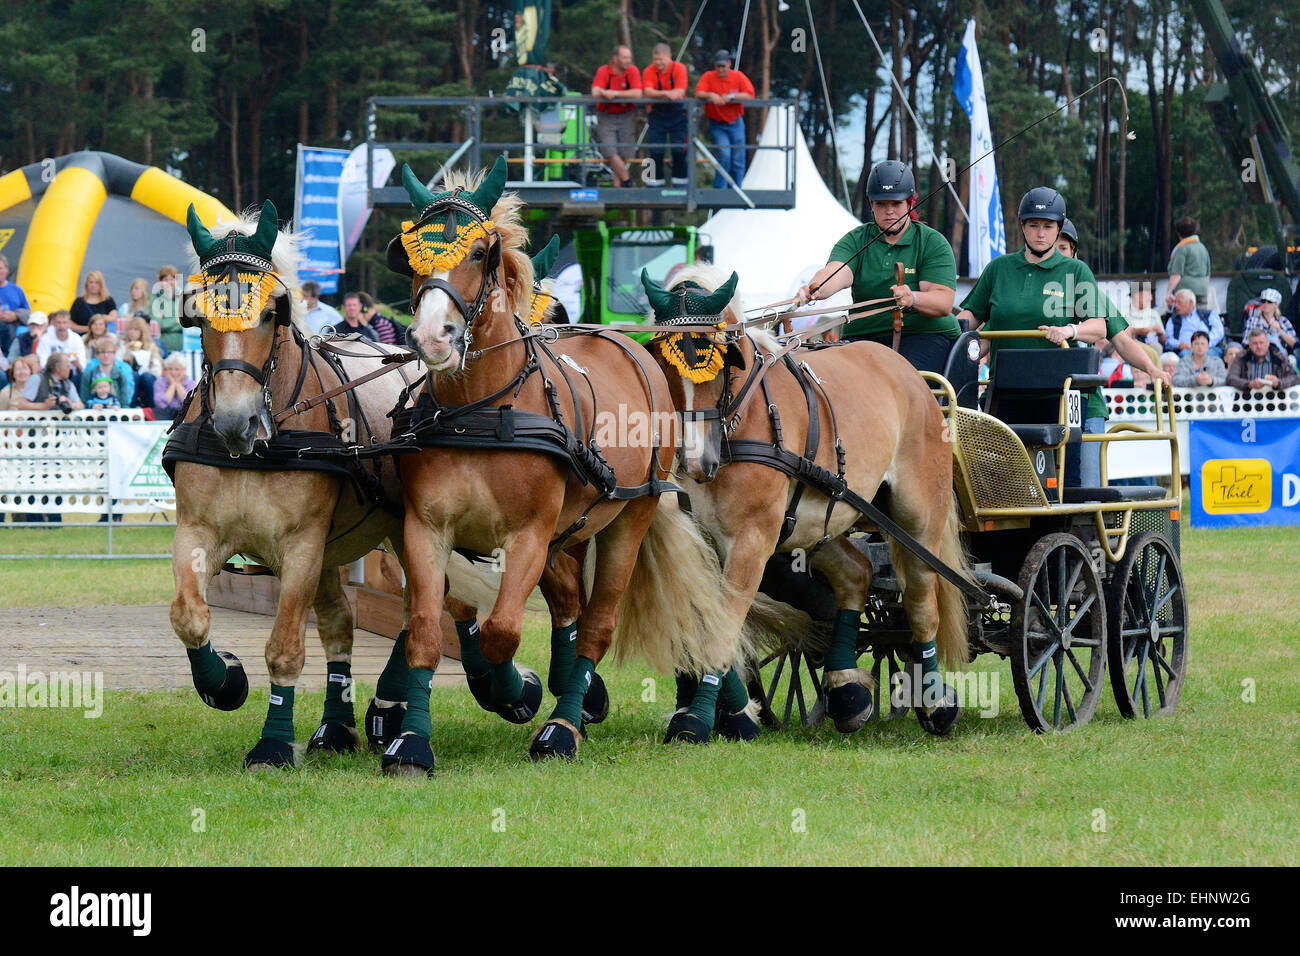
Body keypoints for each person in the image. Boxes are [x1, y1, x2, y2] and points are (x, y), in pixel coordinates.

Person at [957, 187, 1143, 488]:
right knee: (1004, 482)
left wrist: (1070, 330)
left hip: (1058, 394)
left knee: (1065, 483)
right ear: (1022, 227)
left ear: (1058, 229)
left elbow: (1099, 326)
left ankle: (1066, 531)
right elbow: (968, 321)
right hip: (1004, 392)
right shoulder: (999, 269)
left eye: (1047, 226)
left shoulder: (1075, 270)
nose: (1040, 233)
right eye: (1033, 225)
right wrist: (943, 330)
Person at [795, 160, 956, 372]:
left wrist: (913, 298)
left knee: (896, 378)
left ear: (909, 203)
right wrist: (816, 288)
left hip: (922, 335)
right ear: (871, 204)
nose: (889, 211)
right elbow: (836, 272)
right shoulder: (855, 240)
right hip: (863, 337)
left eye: (895, 204)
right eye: (881, 204)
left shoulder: (931, 242)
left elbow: (943, 301)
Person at [695, 49, 755, 189]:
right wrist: (711, 95)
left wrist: (731, 97)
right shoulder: (708, 76)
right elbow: (698, 93)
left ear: (729, 64)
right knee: (724, 153)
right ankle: (720, 188)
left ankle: (736, 188)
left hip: (735, 123)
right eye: (718, 66)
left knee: (738, 157)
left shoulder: (738, 76)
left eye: (723, 66)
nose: (721, 69)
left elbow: (749, 94)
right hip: (717, 124)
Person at [591, 44, 642, 188]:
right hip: (606, 116)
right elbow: (595, 91)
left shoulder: (632, 71)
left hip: (626, 115)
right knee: (609, 150)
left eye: (629, 58)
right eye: (624, 57)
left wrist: (615, 94)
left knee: (625, 152)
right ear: (615, 58)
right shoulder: (604, 71)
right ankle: (627, 181)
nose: (628, 61)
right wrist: (605, 93)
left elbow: (637, 93)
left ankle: (617, 186)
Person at [642, 42, 689, 187]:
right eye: (655, 59)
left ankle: (680, 184)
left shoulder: (680, 68)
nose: (658, 63)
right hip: (657, 116)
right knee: (655, 150)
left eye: (661, 59)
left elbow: (680, 92)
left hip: (678, 116)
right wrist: (666, 93)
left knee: (679, 150)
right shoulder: (649, 71)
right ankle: (654, 185)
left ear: (669, 57)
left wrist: (659, 94)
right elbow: (648, 92)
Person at [1226, 327, 1299, 392]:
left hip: (1275, 403)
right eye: (1255, 343)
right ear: (1249, 345)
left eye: (1261, 343)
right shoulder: (1241, 357)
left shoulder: (1279, 357)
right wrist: (1249, 384)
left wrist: (1278, 383)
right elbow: (1231, 378)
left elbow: (1294, 378)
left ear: (1268, 343)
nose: (1259, 346)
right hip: (1247, 403)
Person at [1166, 216, 1212, 309]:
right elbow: (1207, 275)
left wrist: (1169, 292)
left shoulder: (1182, 249)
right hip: (1202, 290)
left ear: (1179, 233)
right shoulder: (1203, 248)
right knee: (1200, 318)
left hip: (1185, 292)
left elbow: (1176, 274)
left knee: (1182, 319)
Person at [1163, 288, 1224, 358]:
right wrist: (1179, 344)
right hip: (1186, 351)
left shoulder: (1209, 314)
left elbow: (1218, 333)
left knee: (1212, 356)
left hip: (1209, 349)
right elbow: (1168, 340)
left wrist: (1203, 344)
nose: (1176, 305)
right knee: (1185, 356)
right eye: (1175, 302)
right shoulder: (1173, 320)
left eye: (1179, 302)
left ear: (1191, 303)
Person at [79, 335, 135, 407]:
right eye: (102, 352)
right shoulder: (88, 375)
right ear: (97, 355)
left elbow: (125, 402)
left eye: (109, 352)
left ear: (114, 354)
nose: (106, 355)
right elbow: (84, 400)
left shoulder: (121, 376)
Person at [120, 316, 162, 409]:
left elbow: (157, 369)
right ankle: (132, 406)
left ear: (142, 331)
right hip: (128, 377)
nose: (132, 332)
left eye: (136, 329)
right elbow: (117, 364)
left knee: (147, 377)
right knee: (134, 375)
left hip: (147, 377)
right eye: (130, 329)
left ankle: (153, 408)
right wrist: (126, 351)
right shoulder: (122, 345)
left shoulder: (150, 346)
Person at [1242, 288, 1297, 356]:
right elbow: (1246, 343)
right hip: (1257, 356)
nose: (1265, 304)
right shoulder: (1252, 320)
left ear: (1276, 305)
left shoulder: (1284, 321)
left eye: (1269, 301)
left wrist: (1280, 330)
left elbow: (1294, 344)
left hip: (1281, 358)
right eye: (1263, 301)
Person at [36, 309, 88, 379]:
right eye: (59, 323)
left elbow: (83, 366)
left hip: (71, 373)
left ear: (69, 324)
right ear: (54, 323)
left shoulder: (76, 339)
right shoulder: (46, 338)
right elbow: (43, 362)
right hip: (51, 373)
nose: (62, 326)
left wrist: (77, 364)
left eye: (64, 323)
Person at [0, 253, 32, 356]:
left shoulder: (17, 290)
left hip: (15, 335)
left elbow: (29, 314)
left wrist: (16, 315)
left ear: (6, 269)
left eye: (0, 268)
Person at [69, 270, 118, 334]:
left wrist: (98, 319)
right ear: (86, 284)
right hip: (83, 338)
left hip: (103, 339)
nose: (93, 285)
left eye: (96, 283)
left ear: (101, 285)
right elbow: (71, 324)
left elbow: (114, 317)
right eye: (91, 282)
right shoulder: (79, 302)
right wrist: (88, 328)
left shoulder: (108, 300)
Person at [153, 353, 196, 420]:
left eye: (177, 369)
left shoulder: (191, 383)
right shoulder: (159, 382)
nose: (173, 372)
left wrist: (178, 384)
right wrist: (172, 385)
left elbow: (189, 403)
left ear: (184, 370)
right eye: (170, 369)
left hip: (184, 415)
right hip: (164, 415)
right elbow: (160, 404)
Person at [151, 265, 183, 352]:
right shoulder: (155, 299)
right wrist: (176, 320)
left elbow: (187, 324)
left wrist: (165, 320)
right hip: (162, 348)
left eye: (172, 279)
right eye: (165, 279)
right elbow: (157, 325)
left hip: (182, 348)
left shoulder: (183, 298)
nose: (169, 282)